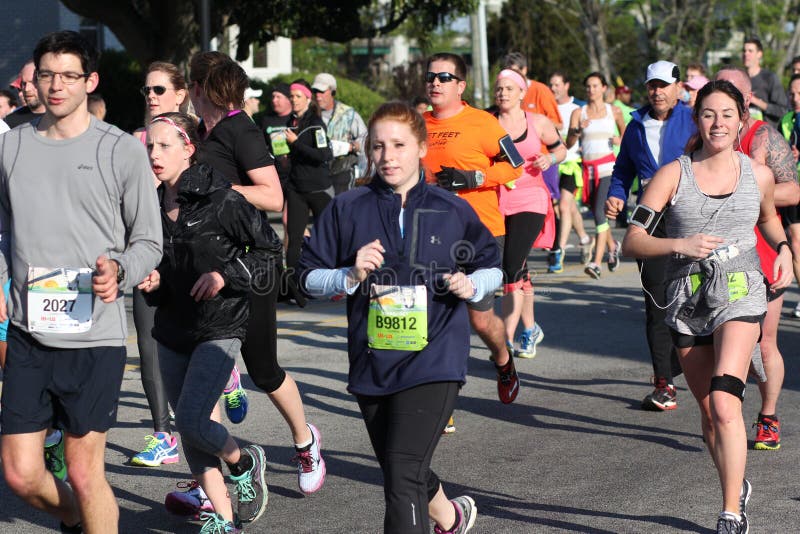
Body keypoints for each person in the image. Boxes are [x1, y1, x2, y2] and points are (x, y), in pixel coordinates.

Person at [298, 100, 497, 534]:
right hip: (373, 361)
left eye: (399, 145)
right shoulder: (348, 207)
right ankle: (449, 517)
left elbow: (492, 264)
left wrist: (473, 285)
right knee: (399, 467)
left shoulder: (451, 208)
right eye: (378, 146)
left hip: (435, 357)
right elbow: (306, 278)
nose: (388, 156)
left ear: (422, 148)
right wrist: (347, 275)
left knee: (402, 474)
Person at [0, 30, 162, 533]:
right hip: (29, 332)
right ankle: (73, 516)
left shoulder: (121, 150)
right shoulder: (12, 146)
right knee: (20, 474)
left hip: (95, 335)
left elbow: (148, 242)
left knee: (84, 470)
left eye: (69, 76)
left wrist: (121, 273)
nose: (55, 86)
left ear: (89, 81)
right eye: (46, 74)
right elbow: (3, 229)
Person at [621, 79, 792, 534]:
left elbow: (770, 220)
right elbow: (631, 241)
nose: (718, 123)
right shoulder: (672, 175)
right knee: (710, 416)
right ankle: (736, 485)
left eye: (727, 115)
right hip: (687, 298)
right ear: (697, 120)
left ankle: (730, 512)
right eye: (709, 114)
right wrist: (681, 243)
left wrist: (787, 251)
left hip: (742, 291)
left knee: (724, 402)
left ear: (742, 121)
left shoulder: (757, 174)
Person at [186, 51, 325, 502]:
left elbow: (271, 194)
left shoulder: (239, 130)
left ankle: (306, 443)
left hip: (252, 267)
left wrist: (220, 188)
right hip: (208, 270)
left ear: (200, 89)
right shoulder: (198, 134)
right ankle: (208, 484)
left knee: (263, 370)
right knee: (202, 378)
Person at [141, 111, 279, 532]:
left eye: (165, 145)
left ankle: (243, 460)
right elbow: (157, 263)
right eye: (150, 146)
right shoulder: (148, 204)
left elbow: (269, 253)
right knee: (192, 434)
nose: (154, 154)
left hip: (220, 325)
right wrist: (151, 279)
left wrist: (224, 275)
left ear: (189, 149)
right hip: (171, 326)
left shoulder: (222, 199)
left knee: (191, 419)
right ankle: (223, 520)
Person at [422, 52, 523, 405]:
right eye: (431, 76)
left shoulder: (484, 123)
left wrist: (475, 177)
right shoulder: (417, 125)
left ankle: (503, 360)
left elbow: (516, 165)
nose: (435, 82)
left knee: (480, 322)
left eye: (444, 77)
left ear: (461, 85)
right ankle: (441, 402)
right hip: (432, 235)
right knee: (435, 321)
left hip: (480, 233)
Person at [715, 65, 800, 452]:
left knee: (764, 342)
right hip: (717, 254)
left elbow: (793, 191)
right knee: (725, 343)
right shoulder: (705, 136)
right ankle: (724, 412)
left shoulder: (763, 135)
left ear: (747, 99)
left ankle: (768, 416)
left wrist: (751, 192)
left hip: (763, 250)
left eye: (731, 92)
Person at [606, 60, 695, 411]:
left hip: (689, 214)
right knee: (656, 303)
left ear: (677, 87)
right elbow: (622, 169)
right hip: (649, 218)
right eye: (651, 86)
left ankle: (681, 360)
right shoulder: (636, 124)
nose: (657, 92)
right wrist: (616, 192)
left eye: (663, 85)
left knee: (695, 298)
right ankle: (665, 383)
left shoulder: (693, 118)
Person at [128, 61, 191, 469]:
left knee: (195, 355)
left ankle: (225, 465)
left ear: (181, 93)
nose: (151, 96)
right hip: (146, 259)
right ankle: (162, 434)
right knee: (148, 345)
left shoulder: (196, 140)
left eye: (159, 90)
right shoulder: (132, 140)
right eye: (147, 90)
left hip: (189, 268)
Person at [494, 68, 565, 358]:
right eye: (499, 89)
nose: (503, 94)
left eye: (509, 89)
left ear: (522, 93)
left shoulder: (538, 122)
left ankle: (506, 339)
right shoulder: (487, 122)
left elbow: (561, 150)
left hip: (532, 198)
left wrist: (549, 158)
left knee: (511, 264)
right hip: (498, 198)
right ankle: (531, 328)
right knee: (516, 267)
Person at [566, 72, 626, 279]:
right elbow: (569, 143)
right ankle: (612, 245)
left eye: (595, 86)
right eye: (588, 87)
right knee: (597, 213)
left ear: (603, 88)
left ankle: (596, 262)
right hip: (588, 171)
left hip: (608, 168)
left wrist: (620, 140)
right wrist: (576, 130)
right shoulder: (579, 112)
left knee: (600, 214)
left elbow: (627, 138)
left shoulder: (614, 111)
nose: (591, 90)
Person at [284, 79, 333, 272]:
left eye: (298, 96)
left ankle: (334, 277)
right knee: (294, 237)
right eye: (292, 96)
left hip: (318, 188)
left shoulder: (316, 124)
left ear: (307, 98)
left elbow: (323, 155)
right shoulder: (291, 121)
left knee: (328, 234)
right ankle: (293, 284)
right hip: (296, 189)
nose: (294, 100)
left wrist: (296, 144)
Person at [548, 71, 592, 273]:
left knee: (565, 206)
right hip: (551, 164)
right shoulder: (548, 108)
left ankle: (559, 250)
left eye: (557, 84)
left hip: (572, 163)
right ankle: (584, 238)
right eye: (551, 85)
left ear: (566, 85)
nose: (553, 88)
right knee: (565, 207)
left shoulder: (579, 108)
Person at [312, 72, 367, 195]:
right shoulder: (309, 115)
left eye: (322, 91)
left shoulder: (348, 114)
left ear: (333, 91)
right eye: (315, 91)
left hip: (343, 170)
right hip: (317, 173)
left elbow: (365, 139)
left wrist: (351, 146)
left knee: (342, 208)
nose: (318, 96)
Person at [743, 36, 787, 128]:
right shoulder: (739, 78)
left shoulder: (770, 78)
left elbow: (782, 111)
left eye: (750, 51)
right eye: (744, 51)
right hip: (743, 134)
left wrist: (755, 101)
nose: (746, 54)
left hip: (765, 134)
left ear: (759, 54)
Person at [4, 59, 46, 128]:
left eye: (33, 82)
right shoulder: (9, 122)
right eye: (23, 83)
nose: (26, 89)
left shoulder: (63, 118)